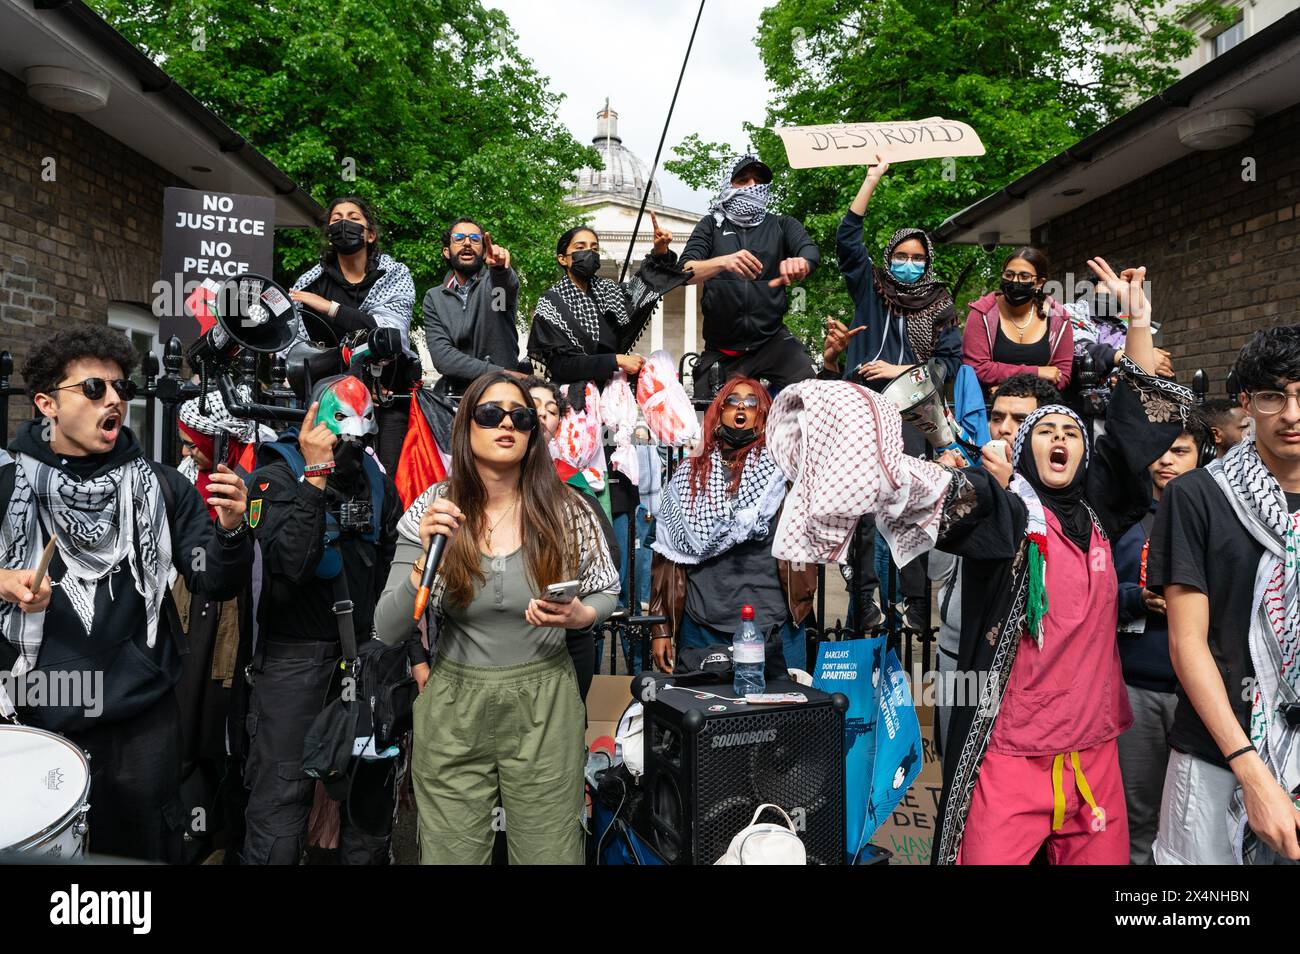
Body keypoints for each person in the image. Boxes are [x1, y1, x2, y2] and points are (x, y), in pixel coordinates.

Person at [928, 259, 1191, 865]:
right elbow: (941, 511)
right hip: (1011, 755)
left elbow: (1136, 424)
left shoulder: (1102, 508)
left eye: (1069, 432)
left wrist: (1137, 321)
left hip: (1093, 756)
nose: (1058, 440)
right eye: (1041, 432)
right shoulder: (1004, 514)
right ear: (1022, 452)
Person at [0, 325, 252, 862]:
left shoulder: (162, 487)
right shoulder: (5, 483)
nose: (113, 399)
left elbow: (215, 580)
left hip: (141, 724)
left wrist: (231, 530)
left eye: (121, 389)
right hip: (36, 719)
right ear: (47, 403)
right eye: (94, 389)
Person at [372, 371, 621, 864]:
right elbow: (386, 626)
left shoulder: (567, 509)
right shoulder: (434, 508)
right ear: (466, 427)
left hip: (545, 704)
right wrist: (425, 557)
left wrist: (579, 616)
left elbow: (607, 590)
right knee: (451, 854)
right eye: (490, 414)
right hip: (455, 705)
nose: (506, 423)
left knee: (551, 851)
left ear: (532, 434)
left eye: (521, 416)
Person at [241, 374, 421, 865]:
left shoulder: (377, 481)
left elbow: (398, 579)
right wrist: (315, 478)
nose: (355, 435)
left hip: (368, 661)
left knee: (366, 810)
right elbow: (290, 565)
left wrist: (411, 657)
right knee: (280, 810)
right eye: (342, 421)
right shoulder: (273, 477)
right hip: (294, 664)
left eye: (363, 425)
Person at [1148, 326, 1300, 865]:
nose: (1291, 413)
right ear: (1246, 404)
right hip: (1216, 757)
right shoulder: (1199, 496)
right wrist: (1252, 772)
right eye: (1273, 396)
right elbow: (1188, 645)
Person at [824, 155, 961, 633]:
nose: (907, 264)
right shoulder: (870, 287)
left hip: (914, 414)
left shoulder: (940, 300)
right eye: (900, 256)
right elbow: (847, 238)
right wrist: (871, 178)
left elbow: (950, 362)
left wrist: (902, 369)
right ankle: (864, 602)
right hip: (861, 410)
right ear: (888, 260)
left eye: (916, 257)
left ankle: (918, 606)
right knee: (861, 509)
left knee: (910, 507)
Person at [648, 377, 817, 674]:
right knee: (706, 718)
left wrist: (829, 368)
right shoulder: (688, 476)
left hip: (774, 627)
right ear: (719, 412)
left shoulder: (786, 473)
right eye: (732, 401)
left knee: (781, 717)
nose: (741, 407)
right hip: (702, 628)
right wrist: (661, 627)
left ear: (763, 414)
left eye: (751, 402)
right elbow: (666, 556)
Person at [929, 372, 1059, 753]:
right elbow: (936, 570)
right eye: (997, 417)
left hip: (1023, 659)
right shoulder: (974, 475)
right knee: (957, 757)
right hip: (957, 651)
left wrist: (1008, 493)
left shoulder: (1057, 490)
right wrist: (946, 497)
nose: (1003, 429)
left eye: (1019, 420)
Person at [173, 390, 275, 862]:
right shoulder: (182, 482)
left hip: (231, 620)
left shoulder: (252, 481)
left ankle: (224, 836)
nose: (186, 453)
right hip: (191, 616)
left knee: (222, 725)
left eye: (193, 443)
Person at [1113, 424, 1203, 864]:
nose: (1167, 460)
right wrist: (1137, 598)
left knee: (1198, 816)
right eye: (1159, 451)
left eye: (1180, 450)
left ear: (1201, 455)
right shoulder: (1126, 521)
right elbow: (1091, 596)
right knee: (1138, 814)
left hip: (1203, 693)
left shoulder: (1221, 517)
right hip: (1138, 688)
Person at [287, 196, 417, 474]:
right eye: (336, 219)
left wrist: (330, 308)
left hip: (386, 402)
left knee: (385, 479)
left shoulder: (395, 276)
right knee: (327, 476)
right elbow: (296, 351)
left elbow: (388, 334)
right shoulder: (309, 285)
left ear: (370, 234)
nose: (344, 223)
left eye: (354, 218)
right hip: (327, 404)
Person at [677, 155, 821, 400]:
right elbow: (684, 272)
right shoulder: (710, 225)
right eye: (742, 180)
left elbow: (809, 250)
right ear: (728, 184)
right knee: (709, 412)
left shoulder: (782, 224)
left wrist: (802, 262)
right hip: (723, 349)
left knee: (814, 392)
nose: (752, 186)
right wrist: (723, 262)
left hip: (772, 342)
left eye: (759, 181)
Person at [527, 221, 685, 388]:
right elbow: (560, 366)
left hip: (612, 395)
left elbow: (644, 286)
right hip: (574, 401)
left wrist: (660, 252)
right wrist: (616, 360)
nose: (589, 252)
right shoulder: (551, 303)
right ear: (562, 259)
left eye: (594, 249)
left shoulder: (609, 293)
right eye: (580, 248)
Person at [423, 218, 530, 397]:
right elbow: (443, 358)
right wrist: (500, 372)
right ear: (446, 252)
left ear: (483, 252)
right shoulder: (434, 298)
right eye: (458, 238)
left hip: (501, 392)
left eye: (474, 239)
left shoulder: (496, 288)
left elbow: (504, 289)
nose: (467, 243)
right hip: (455, 399)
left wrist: (500, 271)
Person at [962, 247, 1074, 395]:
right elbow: (978, 368)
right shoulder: (982, 314)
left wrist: (1008, 390)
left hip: (1040, 409)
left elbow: (1061, 376)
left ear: (1039, 283)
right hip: (986, 409)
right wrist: (1037, 372)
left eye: (1024, 276)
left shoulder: (1059, 319)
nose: (1015, 281)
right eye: (1009, 275)